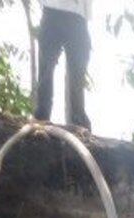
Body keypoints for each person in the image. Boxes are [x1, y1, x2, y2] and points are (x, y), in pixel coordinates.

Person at [33, 0, 93, 133]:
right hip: (53, 9)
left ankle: (78, 119)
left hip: (78, 16)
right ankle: (42, 116)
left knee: (77, 71)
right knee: (46, 68)